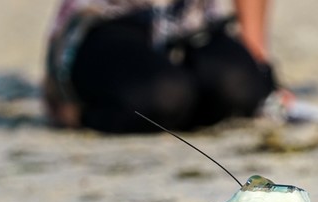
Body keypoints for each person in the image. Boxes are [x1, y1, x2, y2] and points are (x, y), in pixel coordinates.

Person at [42, 0, 278, 133]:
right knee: (163, 97)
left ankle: (180, 96)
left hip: (193, 20)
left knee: (240, 91)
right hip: (106, 18)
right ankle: (72, 110)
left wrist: (258, 62)